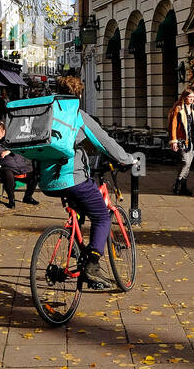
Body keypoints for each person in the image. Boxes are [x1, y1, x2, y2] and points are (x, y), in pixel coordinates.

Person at [35, 75, 138, 290]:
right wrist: (127, 159)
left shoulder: (45, 114)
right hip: (73, 178)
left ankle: (75, 244)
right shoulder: (77, 115)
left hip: (46, 181)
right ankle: (91, 264)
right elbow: (104, 141)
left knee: (80, 207)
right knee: (101, 216)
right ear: (78, 95)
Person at [0, 118, 39, 208]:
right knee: (7, 173)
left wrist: (9, 151)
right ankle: (11, 200)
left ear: (4, 132)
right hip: (7, 167)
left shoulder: (12, 139)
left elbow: (21, 147)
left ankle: (28, 197)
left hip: (22, 166)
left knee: (35, 175)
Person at [168, 87, 194, 196]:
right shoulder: (178, 109)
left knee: (188, 165)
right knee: (185, 163)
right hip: (182, 140)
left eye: (193, 97)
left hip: (192, 140)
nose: (192, 99)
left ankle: (183, 187)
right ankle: (177, 184)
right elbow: (173, 126)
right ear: (184, 97)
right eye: (190, 97)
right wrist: (173, 141)